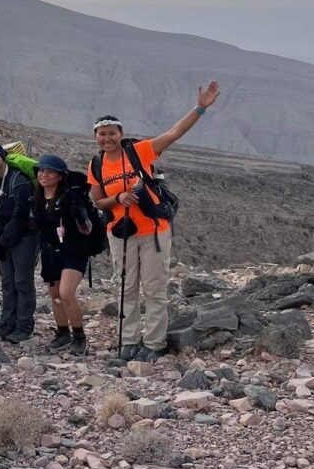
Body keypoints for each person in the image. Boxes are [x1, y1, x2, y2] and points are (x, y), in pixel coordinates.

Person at [88, 81, 221, 362]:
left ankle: (154, 343)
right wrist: (118, 198)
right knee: (125, 288)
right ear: (96, 137)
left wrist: (200, 108)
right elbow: (98, 201)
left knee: (153, 288)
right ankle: (128, 341)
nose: (107, 138)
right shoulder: (96, 165)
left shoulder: (139, 151)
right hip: (120, 233)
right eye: (102, 134)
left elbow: (173, 133)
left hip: (153, 231)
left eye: (112, 133)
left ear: (121, 134)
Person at [32, 154, 101, 355]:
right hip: (50, 251)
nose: (44, 175)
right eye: (41, 171)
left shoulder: (70, 197)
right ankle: (63, 333)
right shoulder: (37, 198)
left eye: (50, 171)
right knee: (55, 296)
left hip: (73, 250)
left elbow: (86, 228)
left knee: (66, 293)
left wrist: (78, 216)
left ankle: (79, 336)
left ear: (60, 176)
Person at [0, 141, 38, 343]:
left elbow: (21, 213)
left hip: (25, 235)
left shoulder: (19, 180)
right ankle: (8, 321)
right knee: (7, 280)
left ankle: (24, 326)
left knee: (22, 281)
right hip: (4, 234)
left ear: (1, 155)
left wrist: (4, 240)